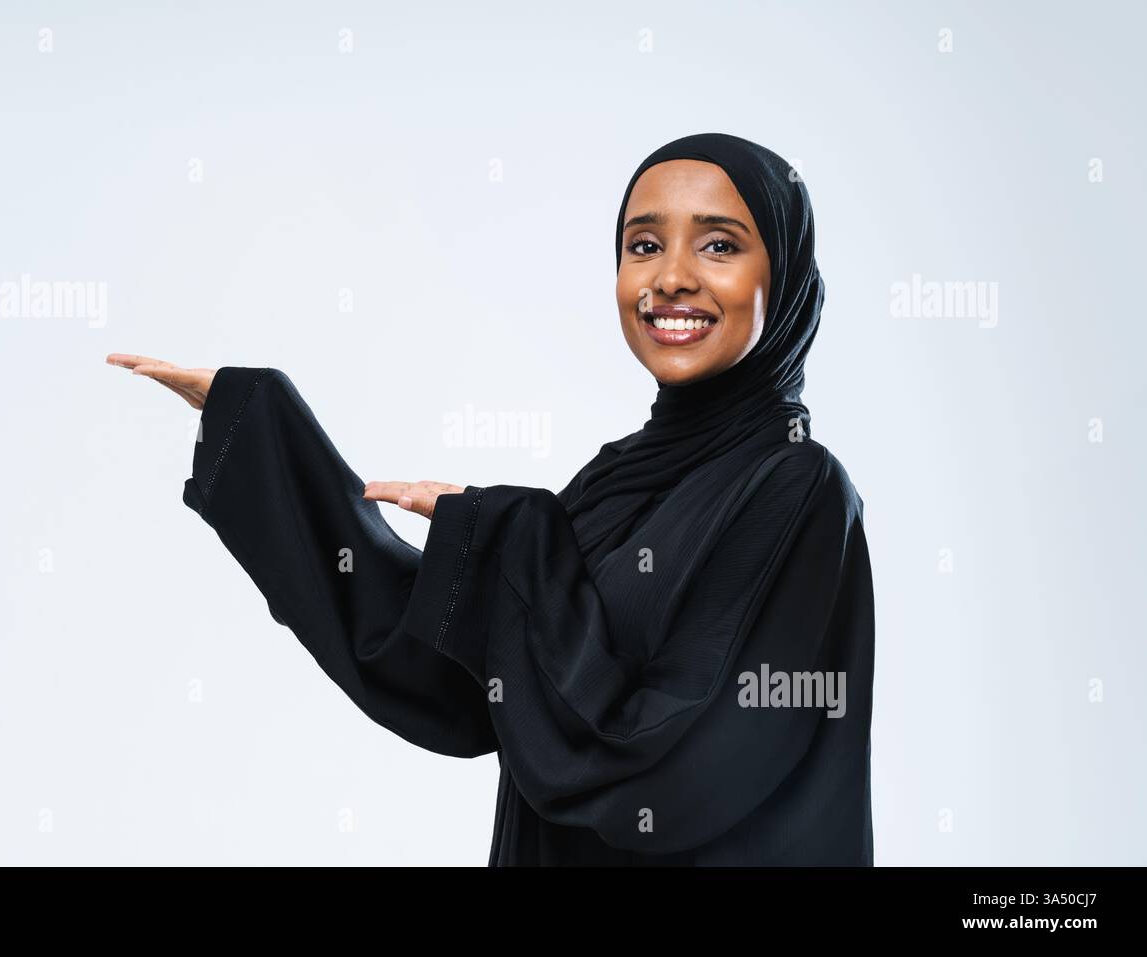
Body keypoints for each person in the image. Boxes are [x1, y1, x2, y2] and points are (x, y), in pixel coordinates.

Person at [106, 132, 876, 866]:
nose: (670, 276)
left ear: (786, 274)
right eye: (644, 245)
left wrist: (515, 536)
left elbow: (669, 765)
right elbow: (464, 686)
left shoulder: (797, 488)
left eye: (718, 244)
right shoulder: (615, 481)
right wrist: (261, 431)